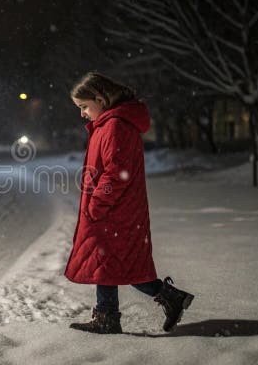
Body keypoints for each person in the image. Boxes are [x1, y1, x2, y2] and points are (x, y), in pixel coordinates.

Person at [65, 72, 194, 334]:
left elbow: (117, 172)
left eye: (84, 107)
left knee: (122, 265)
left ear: (100, 99)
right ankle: (108, 316)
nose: (82, 114)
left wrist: (98, 202)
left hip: (115, 211)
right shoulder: (109, 124)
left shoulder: (115, 126)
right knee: (108, 263)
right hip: (116, 210)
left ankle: (168, 297)